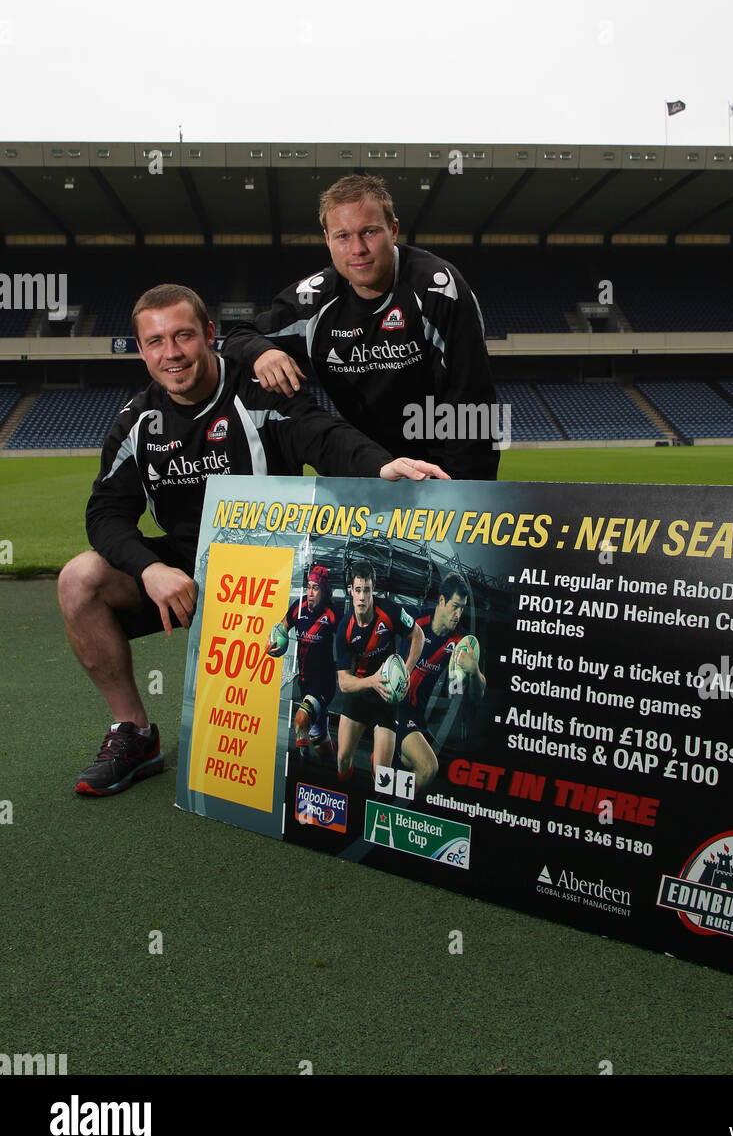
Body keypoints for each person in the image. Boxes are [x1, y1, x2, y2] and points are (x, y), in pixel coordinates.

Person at [58, 284, 448, 797]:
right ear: (140, 349)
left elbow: (321, 434)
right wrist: (151, 569)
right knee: (79, 579)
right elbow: (105, 514)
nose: (171, 353)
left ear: (210, 335)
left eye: (183, 336)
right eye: (155, 341)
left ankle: (310, 735)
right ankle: (134, 733)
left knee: (275, 756)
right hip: (187, 573)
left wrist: (380, 465)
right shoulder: (136, 423)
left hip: (271, 570)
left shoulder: (257, 392)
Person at [221, 173, 500, 480]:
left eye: (369, 232)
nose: (357, 249)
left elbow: (473, 403)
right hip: (368, 466)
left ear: (393, 230)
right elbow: (237, 336)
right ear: (327, 240)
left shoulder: (439, 291)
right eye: (342, 236)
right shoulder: (315, 300)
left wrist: (465, 494)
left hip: (438, 466)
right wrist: (262, 351)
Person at [334, 559, 424, 782]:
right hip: (361, 691)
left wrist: (406, 671)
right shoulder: (345, 629)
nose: (362, 597)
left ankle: (378, 763)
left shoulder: (391, 611)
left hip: (387, 698)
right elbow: (344, 683)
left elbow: (418, 636)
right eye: (358, 590)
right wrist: (372, 681)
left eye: (367, 590)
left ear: (373, 589)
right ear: (351, 592)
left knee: (382, 774)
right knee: (343, 759)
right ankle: (346, 795)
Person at [395, 573, 486, 792]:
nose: (458, 614)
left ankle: (384, 770)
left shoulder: (460, 641)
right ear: (442, 601)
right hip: (394, 710)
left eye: (462, 608)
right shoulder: (415, 620)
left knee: (408, 765)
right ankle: (391, 798)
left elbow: (477, 695)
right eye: (455, 606)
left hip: (416, 719)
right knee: (428, 769)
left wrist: (474, 672)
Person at [265, 563, 338, 763]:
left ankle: (299, 768)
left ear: (324, 591)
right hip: (304, 681)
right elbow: (281, 627)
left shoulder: (333, 614)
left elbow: (347, 641)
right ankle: (338, 767)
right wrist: (273, 643)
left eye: (316, 588)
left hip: (323, 682)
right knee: (322, 746)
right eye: (309, 587)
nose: (311, 592)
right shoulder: (299, 607)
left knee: (300, 721)